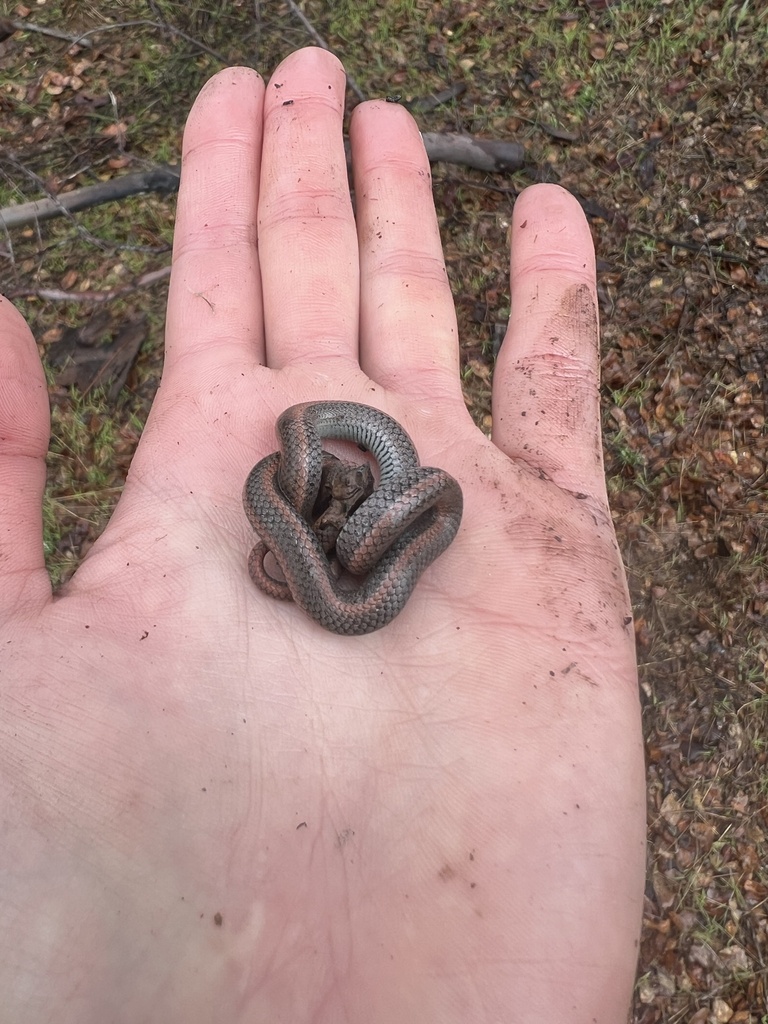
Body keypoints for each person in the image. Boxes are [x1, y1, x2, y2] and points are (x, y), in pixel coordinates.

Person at [0, 47, 645, 1024]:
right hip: (346, 518)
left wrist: (339, 533)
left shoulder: (359, 503)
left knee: (371, 522)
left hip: (363, 522)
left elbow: (405, 505)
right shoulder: (298, 481)